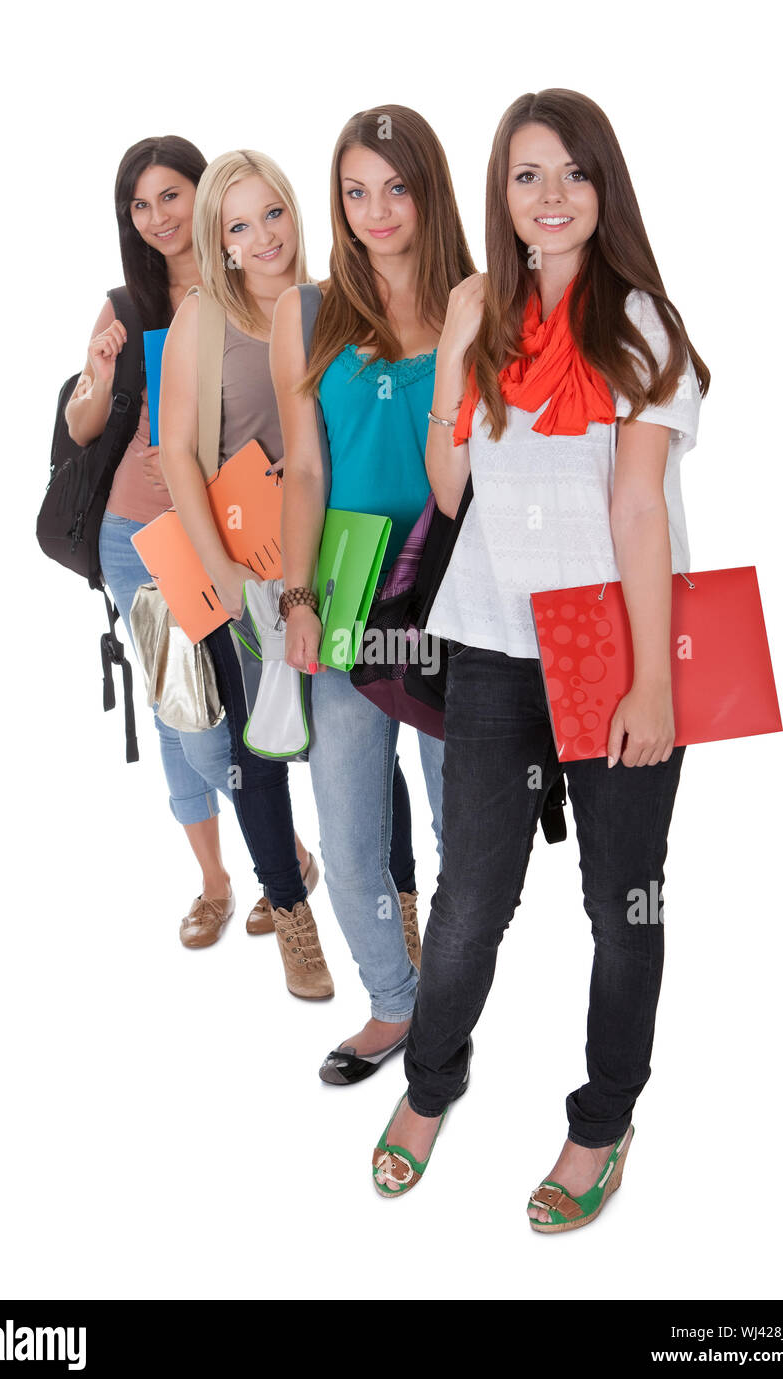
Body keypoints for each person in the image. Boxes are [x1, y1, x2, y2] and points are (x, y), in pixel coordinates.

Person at [372, 89, 709, 1229]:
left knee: (623, 905)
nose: (549, 196)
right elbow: (454, 488)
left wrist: (652, 679)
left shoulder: (643, 328)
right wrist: (460, 347)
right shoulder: (485, 313)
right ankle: (430, 1083)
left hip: (607, 638)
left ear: (603, 186)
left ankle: (602, 1121)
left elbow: (638, 511)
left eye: (570, 172)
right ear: (501, 196)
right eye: (525, 175)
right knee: (470, 900)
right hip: (491, 637)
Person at [67, 136, 317, 953]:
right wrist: (100, 379)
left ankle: (283, 857)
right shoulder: (126, 304)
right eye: (140, 206)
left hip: (225, 529)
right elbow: (80, 427)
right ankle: (215, 881)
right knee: (173, 712)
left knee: (221, 720)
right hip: (131, 533)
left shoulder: (245, 279)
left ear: (205, 198)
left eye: (171, 196)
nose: (157, 218)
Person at [271, 106, 477, 1078]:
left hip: (453, 595)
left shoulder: (483, 304)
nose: (375, 210)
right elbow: (304, 471)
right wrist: (297, 599)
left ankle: (446, 1008)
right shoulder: (303, 313)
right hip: (350, 597)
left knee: (464, 835)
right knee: (349, 834)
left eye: (395, 187)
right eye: (355, 191)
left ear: (429, 191)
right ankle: (391, 1005)